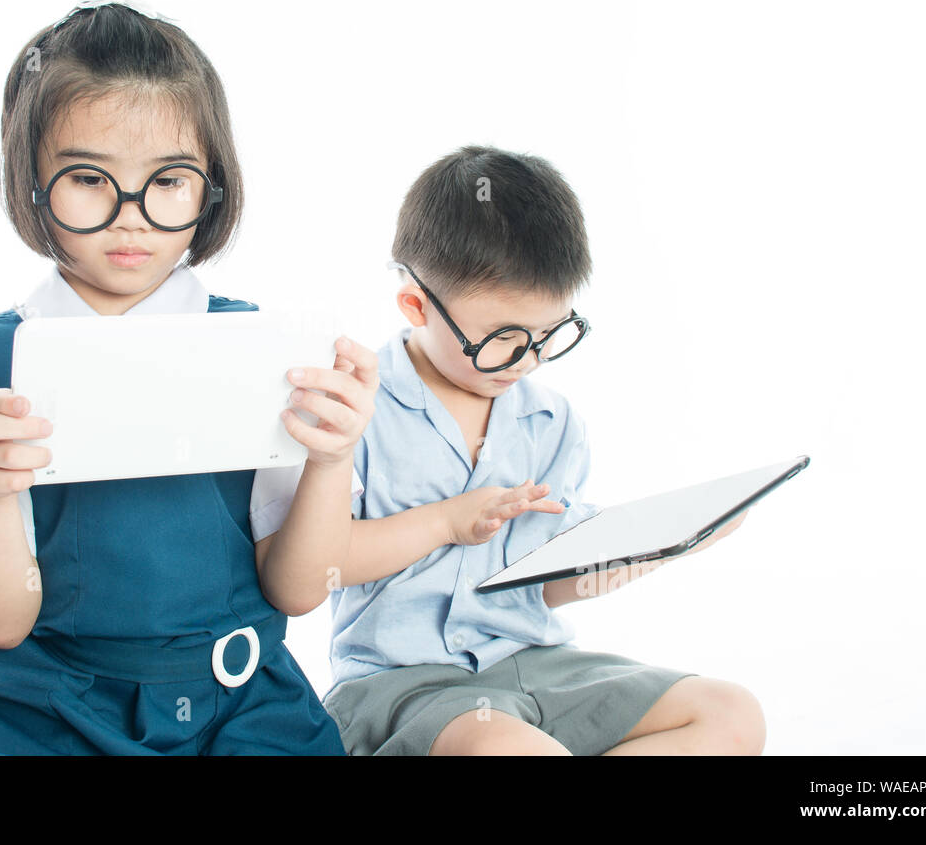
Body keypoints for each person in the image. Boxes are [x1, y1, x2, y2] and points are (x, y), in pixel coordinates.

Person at [0, 0, 377, 756]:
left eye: (167, 181)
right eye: (88, 179)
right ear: (31, 181)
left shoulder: (259, 348)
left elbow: (297, 591)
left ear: (211, 185)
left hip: (238, 707)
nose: (130, 216)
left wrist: (331, 460)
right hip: (46, 709)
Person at [255, 146, 766, 755]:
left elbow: (545, 586)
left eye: (548, 335)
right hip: (406, 686)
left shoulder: (551, 422)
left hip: (538, 668)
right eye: (503, 338)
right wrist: (447, 521)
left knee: (732, 714)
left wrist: (662, 545)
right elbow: (310, 577)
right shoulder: (356, 408)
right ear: (416, 305)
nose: (527, 360)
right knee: (506, 747)